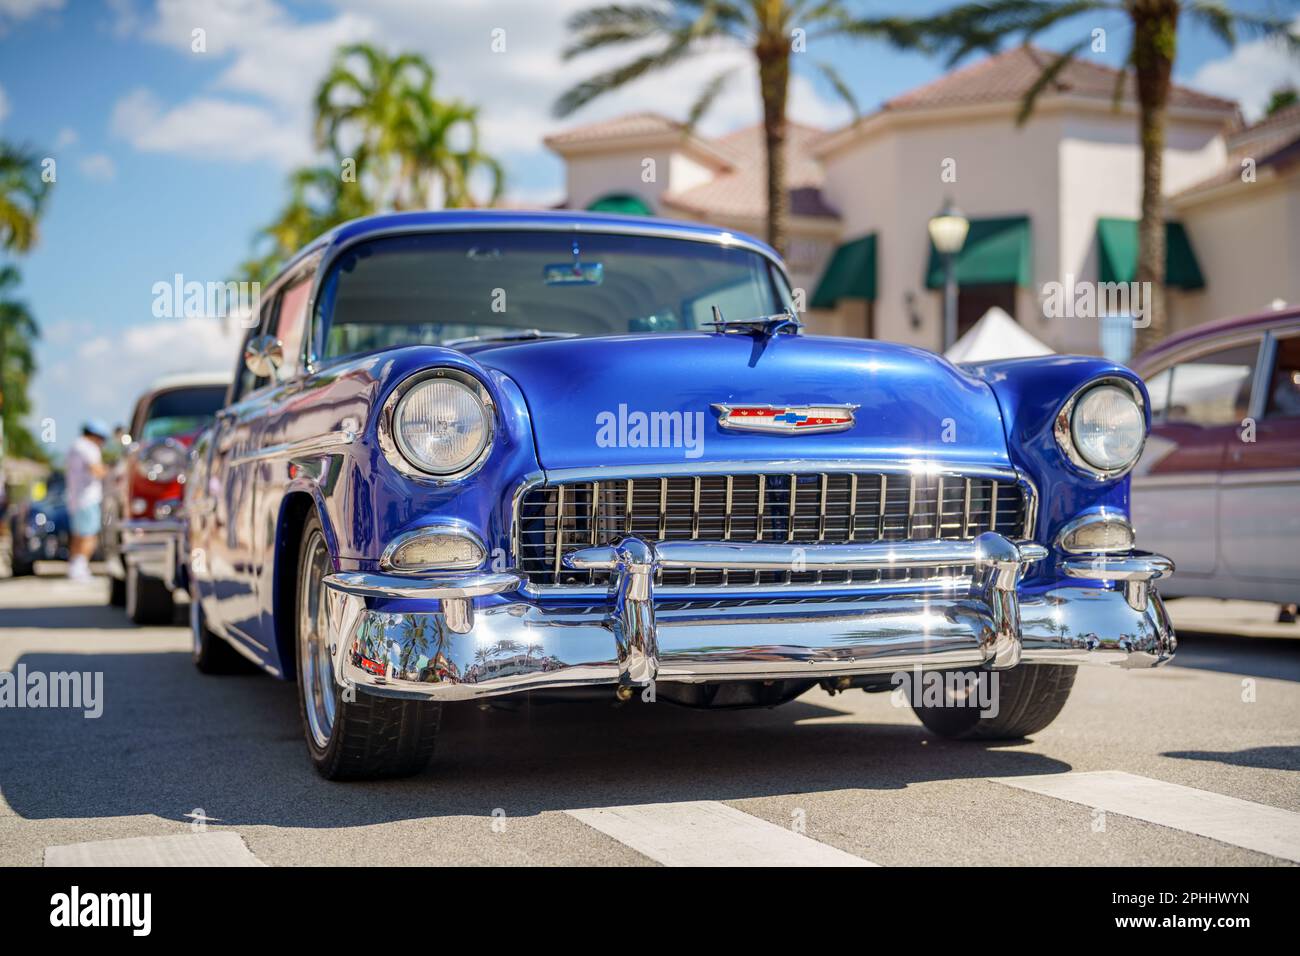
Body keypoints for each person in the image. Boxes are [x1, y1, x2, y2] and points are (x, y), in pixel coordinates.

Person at [65, 420, 110, 581]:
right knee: (89, 535)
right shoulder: (88, 447)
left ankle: (75, 567)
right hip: (88, 498)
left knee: (78, 535)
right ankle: (80, 568)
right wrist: (110, 471)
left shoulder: (75, 446)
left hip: (75, 498)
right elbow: (97, 470)